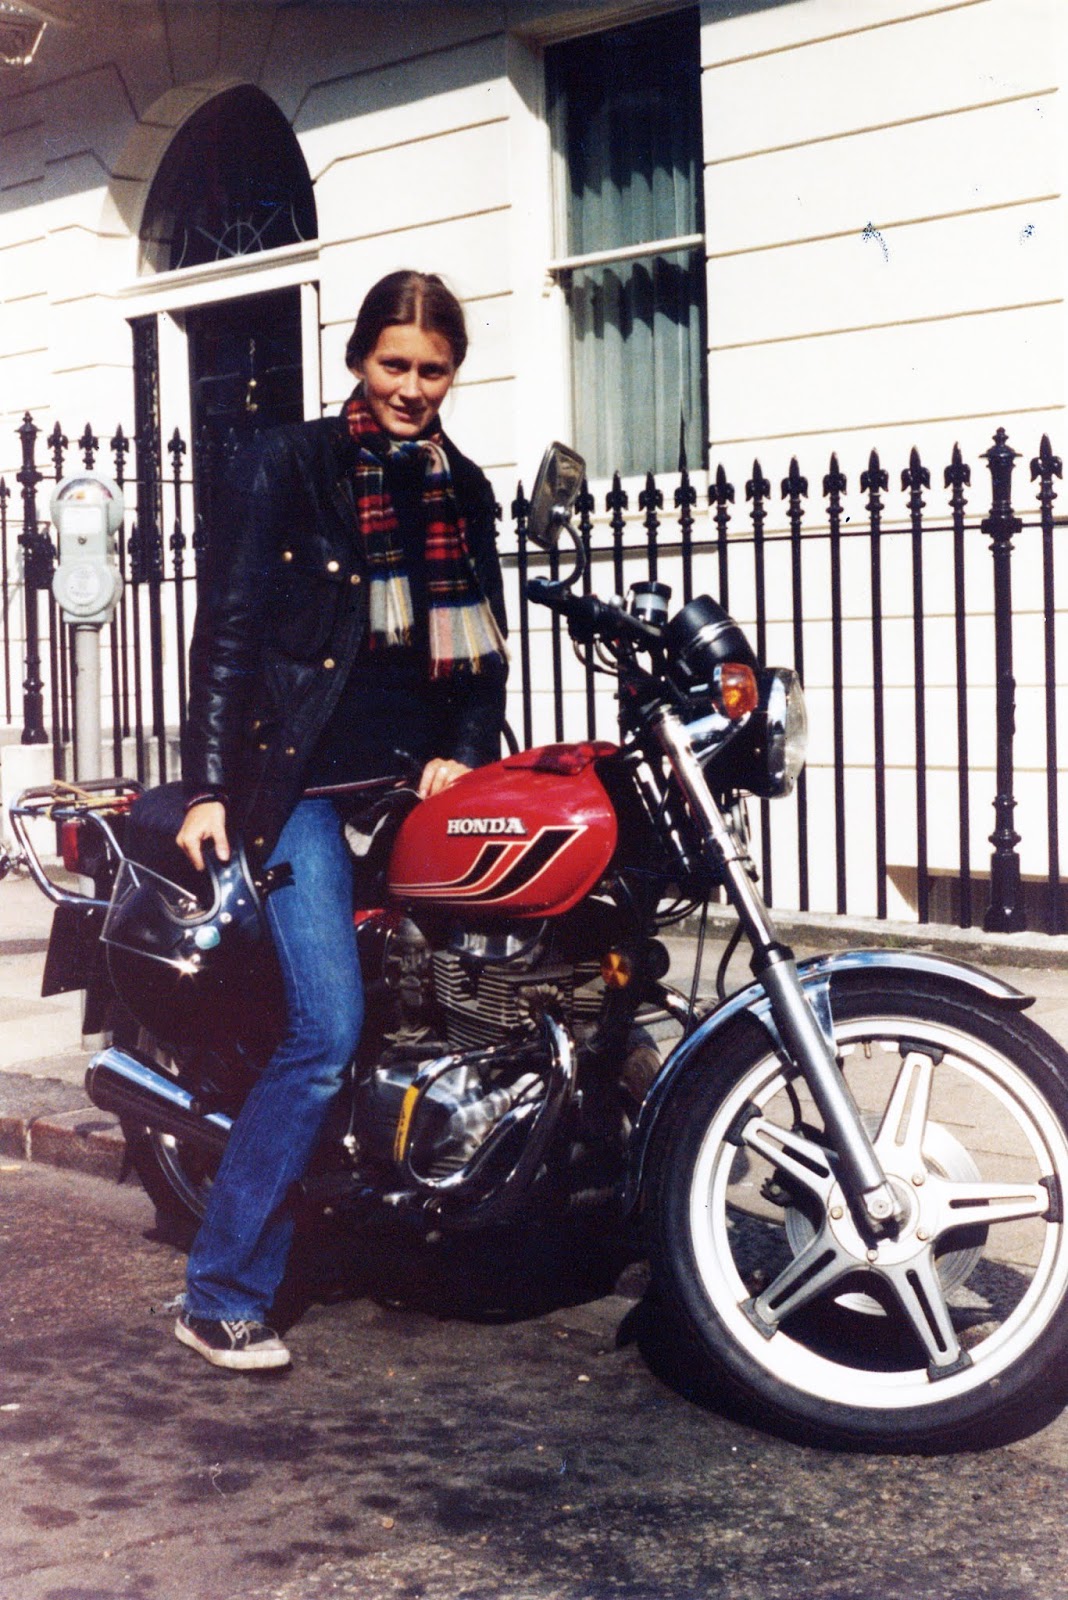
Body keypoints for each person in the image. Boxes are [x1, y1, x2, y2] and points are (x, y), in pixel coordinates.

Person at [173, 270, 507, 1370]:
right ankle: (220, 1287)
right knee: (326, 1029)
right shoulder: (290, 465)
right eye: (394, 364)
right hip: (297, 788)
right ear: (359, 360)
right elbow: (226, 632)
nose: (413, 387)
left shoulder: (465, 492)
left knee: (491, 993)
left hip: (414, 785)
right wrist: (211, 785)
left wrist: (464, 746)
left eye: (433, 368)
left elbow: (483, 660)